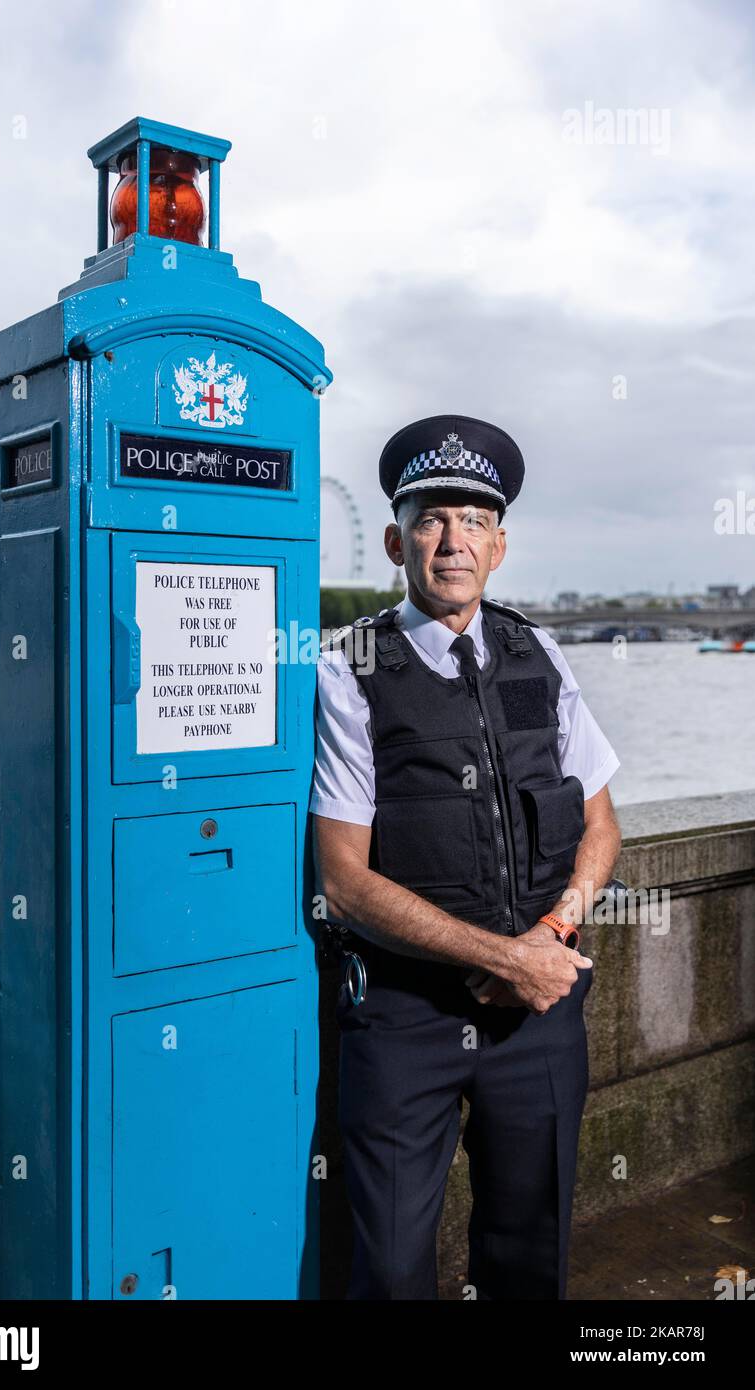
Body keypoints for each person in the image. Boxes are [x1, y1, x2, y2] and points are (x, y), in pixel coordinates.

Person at [311, 413, 622, 1300]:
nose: (453, 541)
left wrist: (552, 936)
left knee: (532, 1248)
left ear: (500, 545)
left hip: (539, 1012)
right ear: (393, 539)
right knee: (391, 1264)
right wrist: (501, 958)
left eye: (474, 521)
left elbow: (600, 827)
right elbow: (343, 881)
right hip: (404, 1018)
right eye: (431, 518)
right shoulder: (348, 670)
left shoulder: (540, 655)